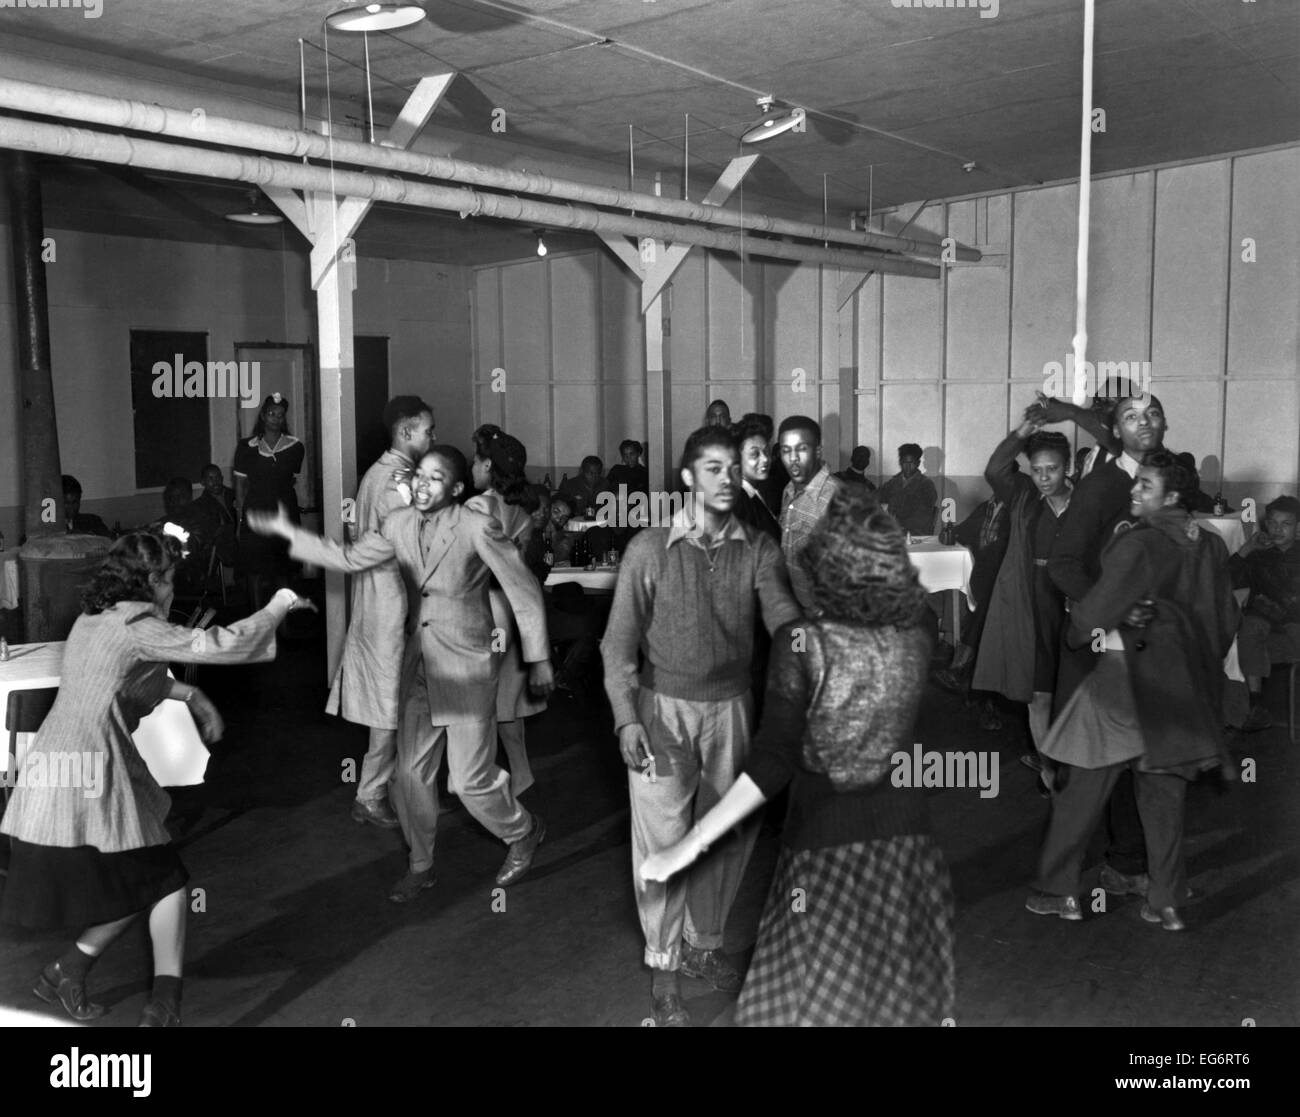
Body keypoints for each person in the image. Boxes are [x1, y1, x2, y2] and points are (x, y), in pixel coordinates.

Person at [641, 487, 955, 1025]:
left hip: (825, 847)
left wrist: (686, 847)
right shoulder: (918, 635)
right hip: (905, 849)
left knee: (809, 999)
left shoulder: (803, 646)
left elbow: (772, 763)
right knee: (891, 996)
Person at [0, 530, 314, 1026]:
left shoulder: (96, 616)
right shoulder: (138, 622)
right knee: (164, 879)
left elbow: (131, 674)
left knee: (147, 879)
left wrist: (194, 698)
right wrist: (279, 603)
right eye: (168, 580)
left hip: (56, 766)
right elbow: (217, 644)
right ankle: (160, 1004)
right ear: (150, 581)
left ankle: (70, 970)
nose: (172, 590)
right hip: (92, 769)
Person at [250, 446, 552, 902]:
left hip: (466, 667)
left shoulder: (475, 525)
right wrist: (286, 530)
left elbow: (522, 587)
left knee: (469, 781)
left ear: (454, 489)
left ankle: (523, 830)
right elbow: (350, 557)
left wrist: (540, 657)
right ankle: (421, 864)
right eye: (419, 477)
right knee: (409, 778)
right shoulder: (398, 524)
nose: (422, 485)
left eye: (435, 478)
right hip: (418, 666)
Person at [602, 425, 801, 1028]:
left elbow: (784, 617)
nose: (724, 479)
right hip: (660, 711)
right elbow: (617, 646)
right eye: (711, 468)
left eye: (732, 468)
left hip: (733, 711)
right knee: (662, 845)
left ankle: (703, 945)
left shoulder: (759, 549)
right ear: (687, 477)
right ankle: (664, 970)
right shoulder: (649, 548)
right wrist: (625, 720)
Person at [1029, 451, 1238, 931]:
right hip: (1181, 692)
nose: (1133, 492)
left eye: (1144, 485)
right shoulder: (1208, 546)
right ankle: (1165, 901)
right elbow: (1227, 621)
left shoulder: (1140, 543)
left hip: (1124, 683)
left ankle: (1059, 894)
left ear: (1172, 496)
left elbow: (1091, 613)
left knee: (1079, 791)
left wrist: (1077, 633)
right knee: (1164, 799)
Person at [1047, 392, 1176, 899]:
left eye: (1152, 414)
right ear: (1114, 430)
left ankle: (1131, 862)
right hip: (1102, 644)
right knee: (1100, 764)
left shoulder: (1172, 481)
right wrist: (1112, 607)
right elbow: (1063, 564)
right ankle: (1092, 870)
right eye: (1130, 416)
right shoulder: (1102, 486)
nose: (1143, 422)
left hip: (1155, 647)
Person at [335, 396, 434, 829]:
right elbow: (410, 547)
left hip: (384, 600)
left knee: (396, 702)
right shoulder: (393, 481)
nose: (433, 438)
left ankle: (394, 789)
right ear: (406, 431)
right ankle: (372, 794)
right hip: (390, 606)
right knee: (389, 705)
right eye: (428, 431)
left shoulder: (383, 475)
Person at [971, 418, 1073, 769]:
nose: (1044, 477)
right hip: (1031, 603)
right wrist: (1024, 431)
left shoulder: (1087, 501)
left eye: (1052, 469)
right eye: (1037, 469)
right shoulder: (1024, 495)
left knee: (1071, 695)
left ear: (1068, 468)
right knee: (1038, 697)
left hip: (1072, 607)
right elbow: (995, 468)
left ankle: (1072, 766)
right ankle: (1048, 770)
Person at [468, 426, 545, 796]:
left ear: (488, 467)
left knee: (475, 700)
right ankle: (522, 771)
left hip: (488, 608)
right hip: (517, 611)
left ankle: (476, 779)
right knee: (505, 701)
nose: (472, 465)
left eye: (476, 460)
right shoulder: (522, 512)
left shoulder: (479, 506)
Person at [1230, 495, 1300, 732]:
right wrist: (1246, 549)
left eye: (1286, 524)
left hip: (1293, 631)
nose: (1277, 529)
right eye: (1273, 522)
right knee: (1249, 627)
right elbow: (1225, 582)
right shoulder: (1259, 555)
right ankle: (1256, 706)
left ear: (1298, 527)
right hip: (1266, 633)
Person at [233, 394, 306, 611]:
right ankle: (258, 623)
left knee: (283, 571)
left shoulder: (295, 447)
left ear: (284, 418)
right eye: (271, 414)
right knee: (255, 571)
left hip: (285, 514)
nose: (275, 418)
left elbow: (292, 480)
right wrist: (239, 521)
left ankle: (282, 624)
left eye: (280, 415)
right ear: (263, 416)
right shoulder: (246, 447)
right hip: (256, 514)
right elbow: (239, 487)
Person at [777, 415, 843, 615]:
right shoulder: (788, 491)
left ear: (818, 451)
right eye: (786, 450)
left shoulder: (836, 497)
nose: (793, 458)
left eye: (802, 449)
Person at [729, 416, 780, 542]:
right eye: (755, 454)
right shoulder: (738, 501)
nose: (765, 459)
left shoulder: (751, 493)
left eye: (766, 452)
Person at [877, 443, 938, 536]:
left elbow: (922, 517)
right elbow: (874, 498)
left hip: (916, 533)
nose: (908, 467)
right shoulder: (893, 482)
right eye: (905, 462)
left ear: (918, 463)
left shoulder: (926, 485)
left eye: (911, 463)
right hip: (892, 531)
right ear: (900, 462)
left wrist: (897, 524)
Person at [193, 464, 237, 567]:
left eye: (218, 477)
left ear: (222, 478)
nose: (215, 481)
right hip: (225, 546)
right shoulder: (200, 505)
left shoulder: (234, 494)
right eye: (210, 478)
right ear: (203, 482)